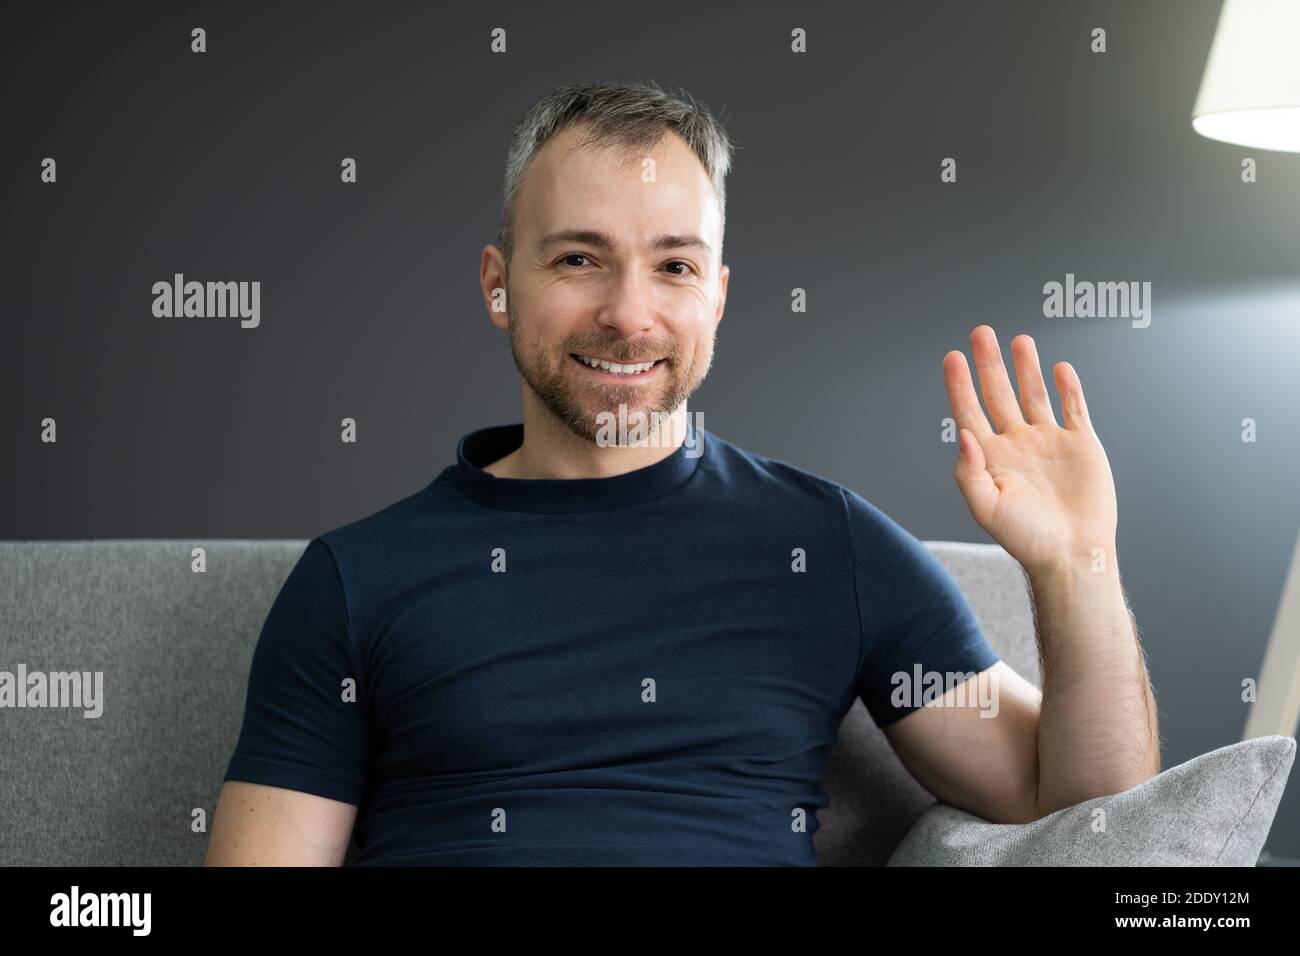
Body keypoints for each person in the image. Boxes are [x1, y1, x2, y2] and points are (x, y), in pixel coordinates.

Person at [203, 80, 1159, 866]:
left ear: (720, 295)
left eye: (674, 267)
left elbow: (1090, 809)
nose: (628, 313)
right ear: (499, 284)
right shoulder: (356, 578)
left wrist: (1079, 569)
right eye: (580, 257)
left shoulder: (827, 546)